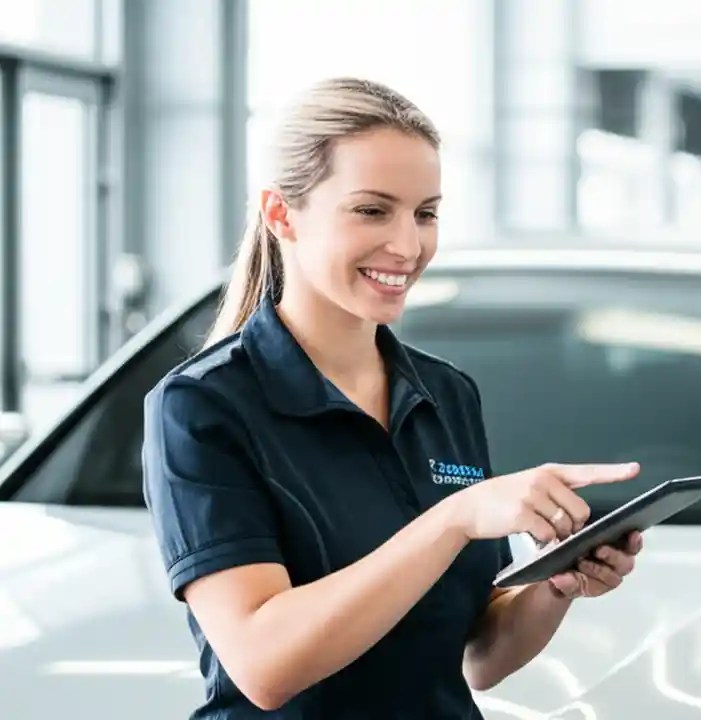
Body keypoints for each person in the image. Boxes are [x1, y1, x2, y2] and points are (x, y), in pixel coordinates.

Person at [140, 77, 644, 719]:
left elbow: (479, 657)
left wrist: (554, 585)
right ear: (280, 214)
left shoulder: (446, 395)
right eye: (373, 210)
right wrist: (455, 517)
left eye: (426, 213)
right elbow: (264, 666)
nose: (408, 246)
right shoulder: (203, 406)